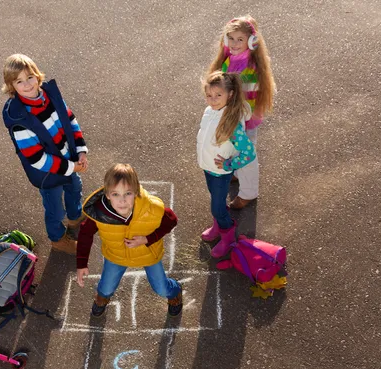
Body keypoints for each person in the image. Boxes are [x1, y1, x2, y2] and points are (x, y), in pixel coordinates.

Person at [1, 54, 88, 255]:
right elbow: (37, 159)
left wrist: (81, 149)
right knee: (55, 209)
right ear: (12, 86)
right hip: (48, 174)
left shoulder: (50, 96)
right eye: (19, 81)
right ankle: (57, 238)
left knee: (75, 187)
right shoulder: (20, 120)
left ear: (37, 75)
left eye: (29, 77)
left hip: (68, 160)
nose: (27, 84)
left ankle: (75, 217)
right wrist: (70, 167)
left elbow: (70, 119)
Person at [76, 163, 183, 317]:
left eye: (128, 193)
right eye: (115, 194)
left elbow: (171, 220)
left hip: (147, 254)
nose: (122, 200)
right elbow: (85, 234)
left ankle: (175, 292)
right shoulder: (98, 214)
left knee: (161, 288)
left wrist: (148, 239)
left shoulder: (152, 207)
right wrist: (81, 263)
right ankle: (102, 298)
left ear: (136, 192)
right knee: (105, 288)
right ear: (107, 195)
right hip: (116, 255)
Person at [208, 16, 276, 209]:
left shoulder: (248, 68)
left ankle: (248, 193)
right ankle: (236, 174)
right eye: (231, 38)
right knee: (238, 151)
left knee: (247, 156)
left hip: (244, 120)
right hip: (234, 118)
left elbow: (247, 101)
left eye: (240, 39)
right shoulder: (230, 59)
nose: (235, 43)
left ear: (251, 41)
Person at [197, 71, 256, 258]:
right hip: (208, 167)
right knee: (216, 199)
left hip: (221, 173)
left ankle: (228, 236)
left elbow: (249, 152)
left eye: (218, 95)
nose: (213, 100)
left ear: (230, 95)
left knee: (217, 207)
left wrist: (231, 164)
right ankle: (218, 225)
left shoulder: (231, 122)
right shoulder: (209, 111)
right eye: (209, 95)